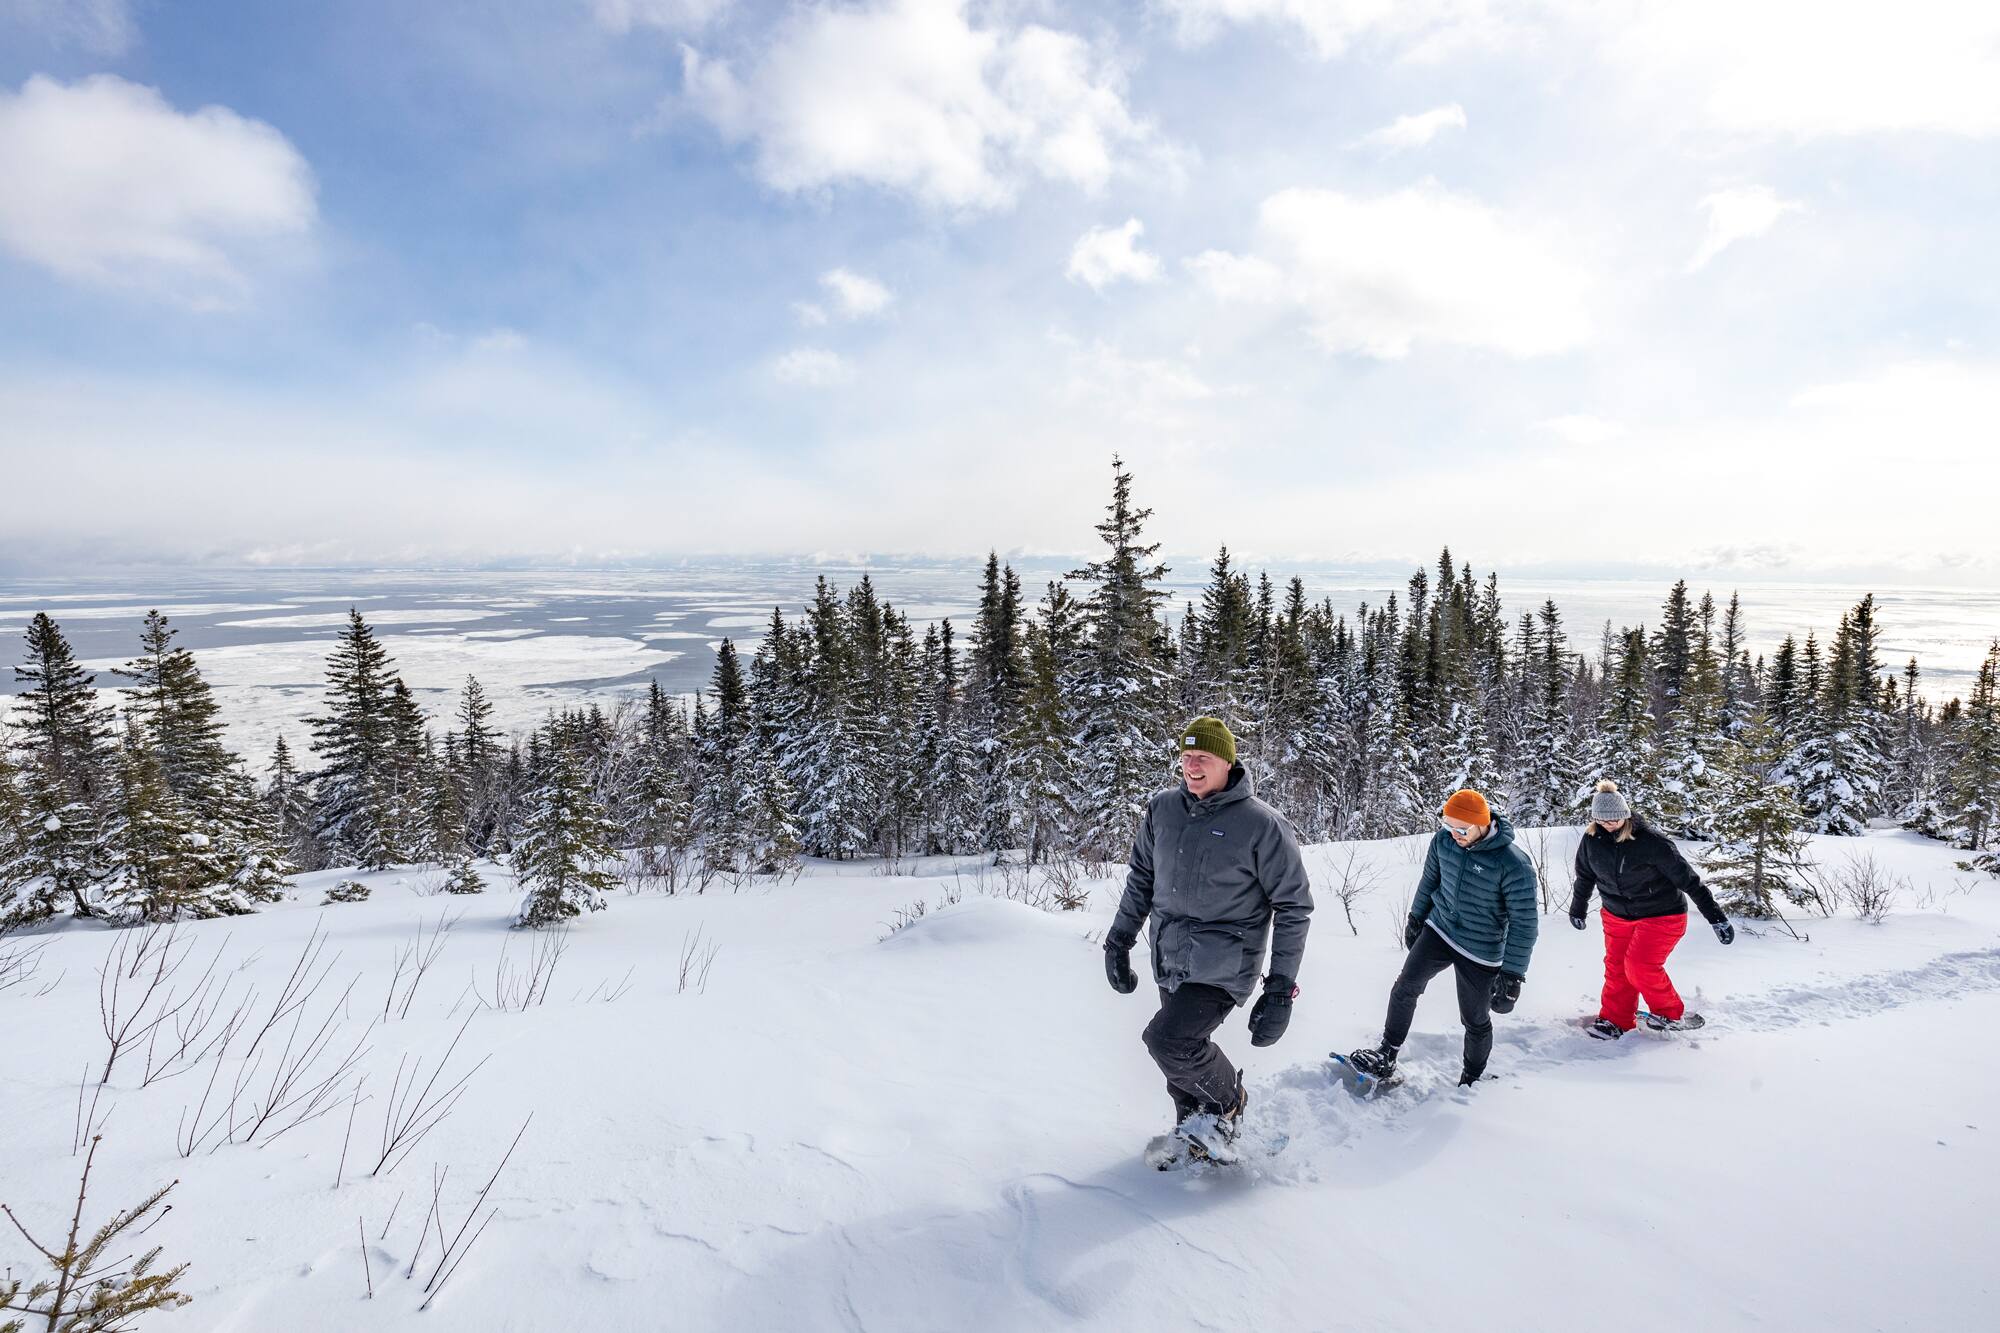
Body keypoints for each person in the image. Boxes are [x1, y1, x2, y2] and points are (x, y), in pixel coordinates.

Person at [1103, 716, 1313, 1156]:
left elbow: (1293, 905)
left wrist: (1279, 989)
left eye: (1203, 757)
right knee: (1177, 1066)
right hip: (1169, 953)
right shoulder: (1163, 809)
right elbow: (1142, 876)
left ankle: (1229, 1105)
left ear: (1227, 763)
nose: (1191, 766)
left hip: (1225, 961)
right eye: (1185, 756)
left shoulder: (1261, 824)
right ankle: (1195, 1137)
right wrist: (1119, 940)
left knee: (1168, 1040)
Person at [1344, 789, 1537, 1087]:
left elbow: (1525, 924)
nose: (1455, 835)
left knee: (1474, 1019)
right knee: (1405, 987)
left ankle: (1471, 1079)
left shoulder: (1513, 864)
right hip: (1441, 929)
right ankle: (1387, 1052)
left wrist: (1513, 975)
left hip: (1481, 949)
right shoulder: (1443, 842)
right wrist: (1416, 917)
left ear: (1482, 824)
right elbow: (1429, 880)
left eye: (1462, 829)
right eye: (1449, 826)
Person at [1570, 779, 1734, 1038]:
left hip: (1661, 915)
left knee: (1639, 965)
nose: (1609, 824)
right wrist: (1577, 909)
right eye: (1603, 820)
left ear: (1625, 814)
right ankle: (1615, 1020)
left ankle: (1669, 1014)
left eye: (1615, 819)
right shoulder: (1592, 840)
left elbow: (1689, 881)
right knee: (1616, 968)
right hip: (1616, 916)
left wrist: (1716, 917)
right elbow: (1585, 877)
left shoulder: (1651, 842)